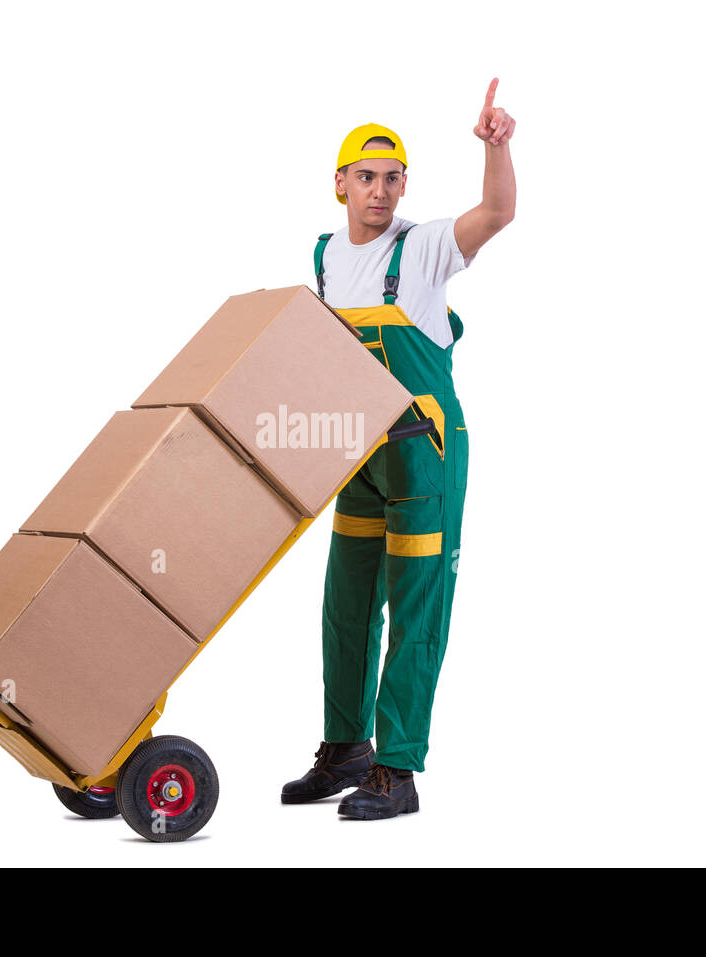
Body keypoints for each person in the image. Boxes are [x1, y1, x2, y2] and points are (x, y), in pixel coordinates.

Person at [281, 79, 517, 820]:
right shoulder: (324, 257)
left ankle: (397, 766)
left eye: (392, 178)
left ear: (402, 185)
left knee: (417, 609)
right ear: (340, 184)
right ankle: (345, 747)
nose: (379, 191)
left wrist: (496, 148)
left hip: (425, 458)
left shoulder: (423, 248)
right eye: (365, 177)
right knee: (345, 604)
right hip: (358, 458)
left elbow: (498, 212)